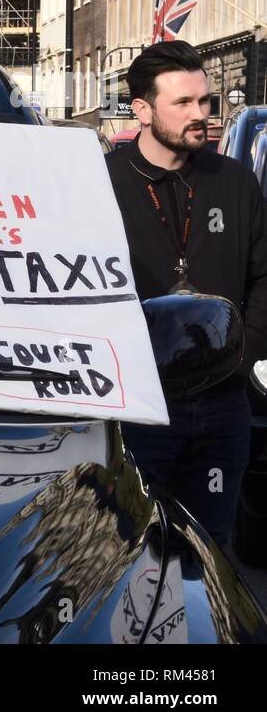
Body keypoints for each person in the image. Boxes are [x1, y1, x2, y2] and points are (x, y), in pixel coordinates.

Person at [104, 39, 267, 546]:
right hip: (134, 411)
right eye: (184, 104)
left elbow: (264, 277)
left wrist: (240, 358)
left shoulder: (235, 181)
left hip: (221, 409)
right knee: (132, 553)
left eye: (205, 102)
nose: (201, 115)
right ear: (142, 109)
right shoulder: (99, 183)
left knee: (207, 551)